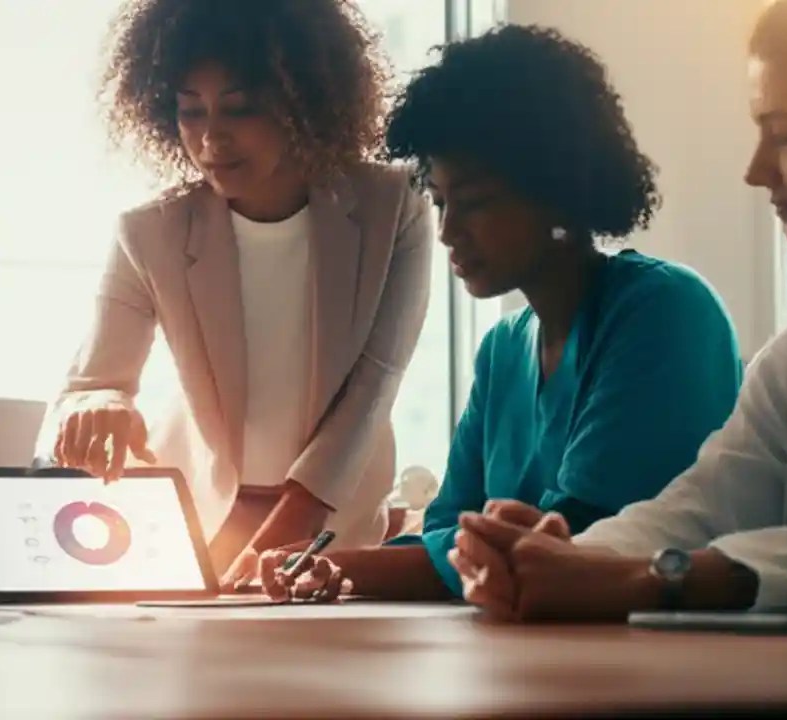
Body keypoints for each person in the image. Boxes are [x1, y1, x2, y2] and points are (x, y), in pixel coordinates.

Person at [239, 25, 743, 602]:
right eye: (440, 202)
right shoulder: (504, 349)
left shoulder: (664, 312)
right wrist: (332, 567)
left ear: (559, 190)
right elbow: (447, 530)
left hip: (656, 649)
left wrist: (340, 564)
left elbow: (571, 540)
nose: (448, 231)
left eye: (475, 202)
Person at [451, 0, 787, 622]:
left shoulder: (660, 307)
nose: (755, 171)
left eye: (785, 136)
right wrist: (555, 557)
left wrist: (661, 578)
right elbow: (701, 508)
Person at [50, 0, 434, 576]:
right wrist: (101, 405)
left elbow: (376, 382)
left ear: (303, 102)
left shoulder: (394, 208)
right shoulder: (148, 232)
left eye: (241, 109)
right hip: (197, 527)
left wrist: (288, 531)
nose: (211, 138)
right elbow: (92, 382)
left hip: (333, 534)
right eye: (190, 111)